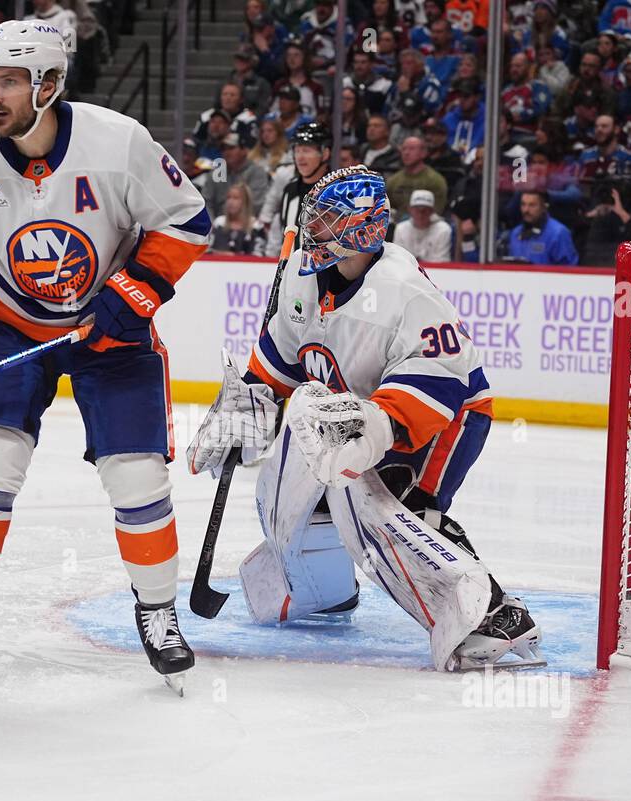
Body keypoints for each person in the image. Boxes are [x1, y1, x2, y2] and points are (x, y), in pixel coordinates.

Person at [0, 20, 210, 687]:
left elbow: (187, 220)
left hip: (107, 331)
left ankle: (158, 611)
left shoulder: (117, 142)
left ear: (49, 83)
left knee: (137, 477)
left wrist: (133, 291)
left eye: (11, 81)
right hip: (15, 328)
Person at [186, 165, 541, 671]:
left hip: (445, 417)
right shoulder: (301, 276)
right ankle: (323, 592)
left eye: (328, 221)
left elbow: (440, 378)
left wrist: (374, 428)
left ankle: (497, 615)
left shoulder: (404, 289)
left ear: (364, 229)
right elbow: (278, 365)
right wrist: (249, 409)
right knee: (297, 493)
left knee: (400, 507)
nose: (314, 231)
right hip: (352, 416)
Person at [258, 121, 330, 255]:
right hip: (291, 271)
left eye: (307, 150)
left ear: (325, 154)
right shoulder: (289, 191)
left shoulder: (336, 192)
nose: (300, 157)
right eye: (297, 150)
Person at [199, 130, 270, 221]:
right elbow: (206, 202)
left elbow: (256, 205)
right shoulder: (216, 173)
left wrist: (234, 224)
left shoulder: (256, 172)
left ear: (244, 150)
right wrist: (213, 225)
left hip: (247, 224)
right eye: (223, 149)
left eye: (231, 148)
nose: (227, 152)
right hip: (217, 226)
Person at [502, 190, 578, 264]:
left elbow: (569, 270)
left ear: (543, 207)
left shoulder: (559, 233)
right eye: (523, 204)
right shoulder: (515, 233)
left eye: (532, 205)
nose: (526, 210)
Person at [385, 135, 447, 218]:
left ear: (423, 153)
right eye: (404, 149)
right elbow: (386, 209)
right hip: (397, 225)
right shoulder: (393, 181)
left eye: (411, 149)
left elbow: (437, 211)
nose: (406, 153)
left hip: (426, 224)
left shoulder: (435, 180)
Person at [392, 188, 452, 262]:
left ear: (432, 211)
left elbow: (442, 261)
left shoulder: (443, 229)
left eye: (425, 210)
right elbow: (397, 259)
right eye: (417, 209)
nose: (420, 214)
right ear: (410, 209)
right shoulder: (401, 229)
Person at [210, 182, 259, 255]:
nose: (230, 202)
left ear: (246, 202)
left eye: (235, 198)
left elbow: (260, 255)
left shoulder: (256, 226)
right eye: (228, 197)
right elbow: (207, 250)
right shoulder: (219, 223)